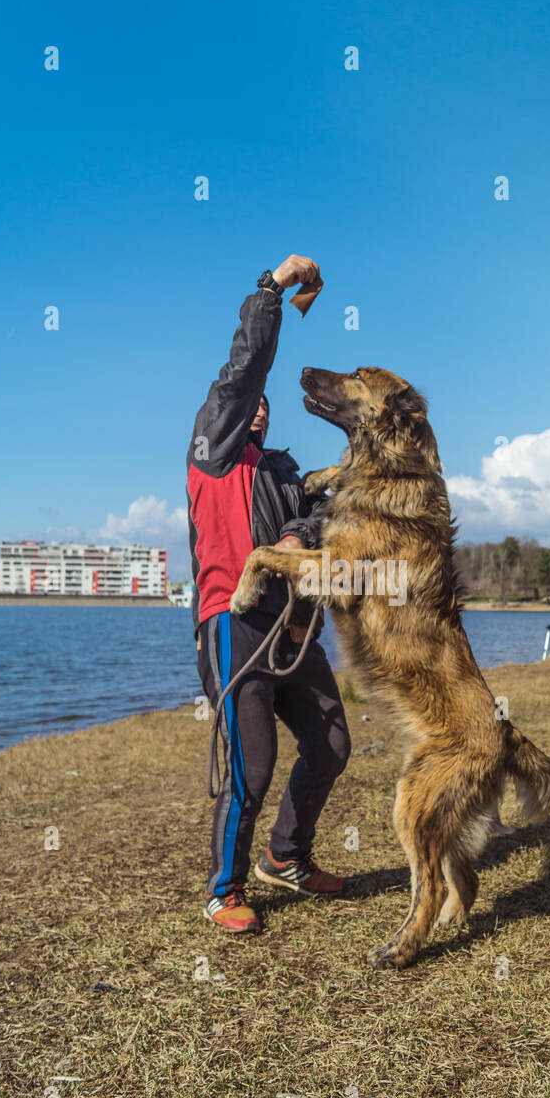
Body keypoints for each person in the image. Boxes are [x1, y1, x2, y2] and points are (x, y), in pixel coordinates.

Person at [187, 255, 351, 935]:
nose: (257, 404)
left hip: (294, 631)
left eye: (264, 403)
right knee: (252, 768)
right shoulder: (213, 450)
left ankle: (285, 858)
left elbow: (323, 518)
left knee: (332, 744)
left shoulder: (285, 473)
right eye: (248, 397)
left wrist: (297, 529)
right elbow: (244, 369)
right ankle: (223, 891)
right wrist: (271, 289)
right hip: (235, 623)